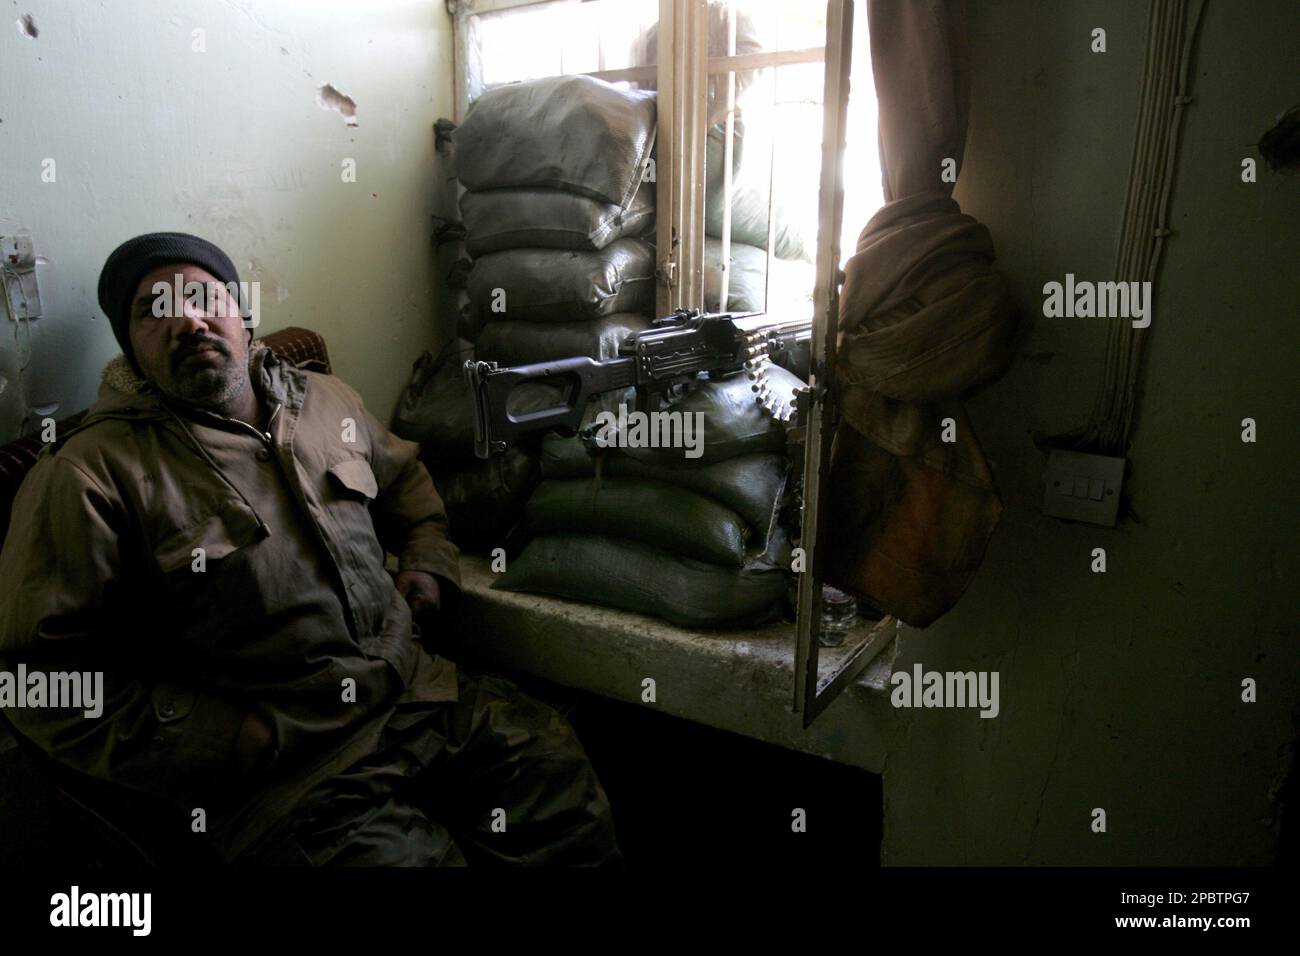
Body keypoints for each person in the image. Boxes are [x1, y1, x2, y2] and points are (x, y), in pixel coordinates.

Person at [0, 232, 621, 866]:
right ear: (132, 351)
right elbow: (33, 683)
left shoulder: (324, 399)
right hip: (293, 773)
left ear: (241, 315)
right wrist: (225, 738)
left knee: (558, 785)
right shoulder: (87, 476)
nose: (186, 320)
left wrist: (428, 565)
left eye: (202, 297)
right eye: (151, 312)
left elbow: (405, 480)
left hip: (417, 694)